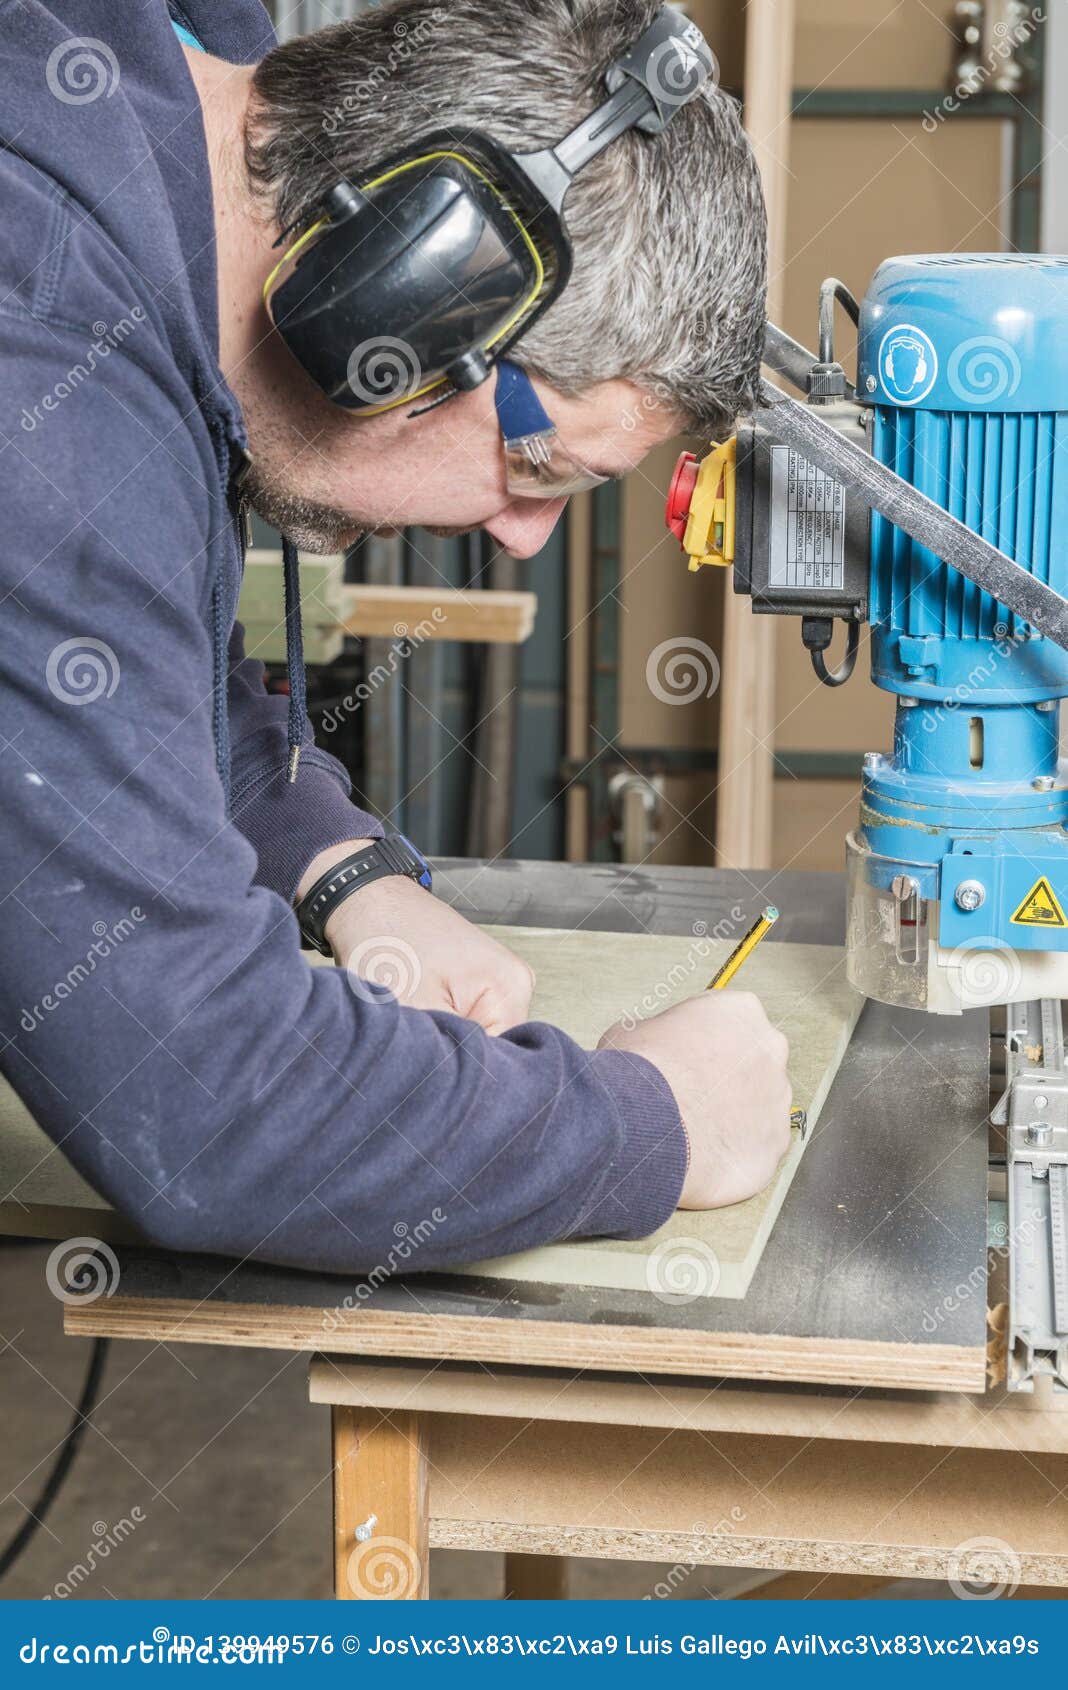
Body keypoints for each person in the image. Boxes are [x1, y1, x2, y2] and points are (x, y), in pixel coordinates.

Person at [0, 0, 790, 1275]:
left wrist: (337, 864)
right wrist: (651, 1126)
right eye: (536, 464)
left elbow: (119, 657)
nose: (525, 536)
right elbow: (209, 1106)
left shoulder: (186, 111)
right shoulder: (41, 368)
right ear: (387, 296)